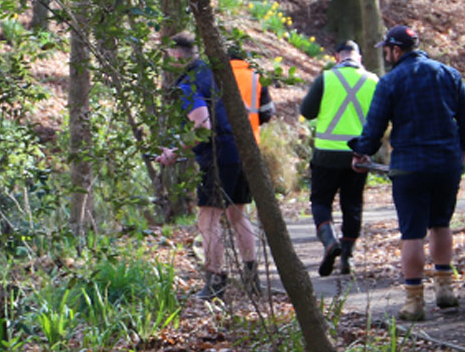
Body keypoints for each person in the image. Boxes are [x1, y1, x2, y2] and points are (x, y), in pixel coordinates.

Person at [348, 25, 465, 322]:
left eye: (387, 50)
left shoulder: (390, 82)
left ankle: (414, 302)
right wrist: (463, 150)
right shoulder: (448, 74)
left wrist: (361, 152)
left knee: (412, 233)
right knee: (441, 224)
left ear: (396, 50)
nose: (386, 55)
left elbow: (375, 126)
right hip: (446, 164)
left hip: (409, 166)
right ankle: (445, 290)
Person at [156, 33, 272, 300]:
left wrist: (175, 152)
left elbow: (202, 126)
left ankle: (214, 282)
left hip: (219, 156)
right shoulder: (217, 73)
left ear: (176, 56)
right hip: (243, 150)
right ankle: (252, 280)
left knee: (208, 219)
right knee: (237, 214)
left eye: (168, 56)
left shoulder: (189, 84)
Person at [299, 40, 379, 276]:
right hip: (358, 154)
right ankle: (346, 257)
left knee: (321, 202)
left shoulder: (326, 79)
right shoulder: (373, 81)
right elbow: (382, 116)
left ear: (337, 57)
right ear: (359, 58)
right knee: (352, 204)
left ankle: (329, 241)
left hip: (326, 153)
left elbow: (306, 112)